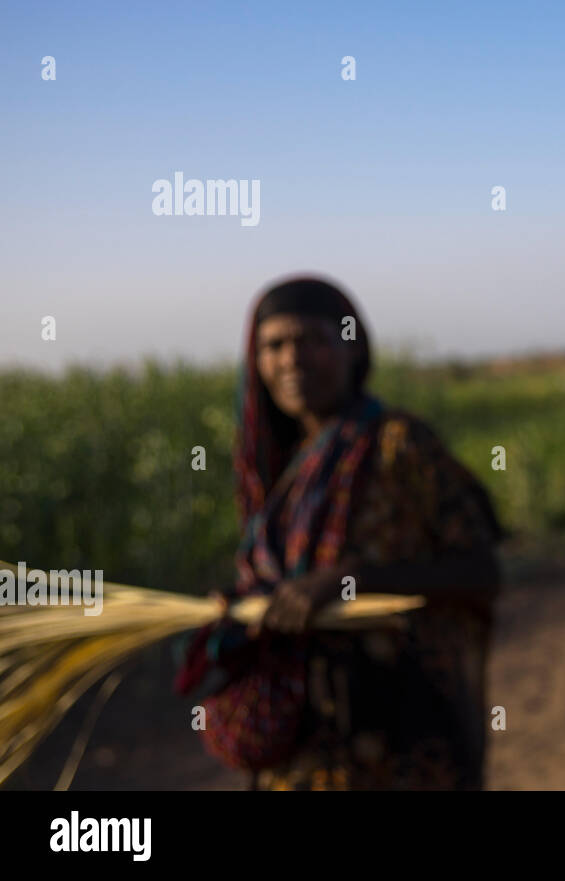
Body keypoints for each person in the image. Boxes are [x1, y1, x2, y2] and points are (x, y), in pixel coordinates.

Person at [175, 275, 502, 790]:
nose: (291, 359)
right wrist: (249, 608)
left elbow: (480, 573)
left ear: (353, 348)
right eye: (273, 345)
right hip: (304, 750)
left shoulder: (398, 446)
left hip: (401, 741)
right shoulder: (275, 472)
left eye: (312, 341)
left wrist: (354, 581)